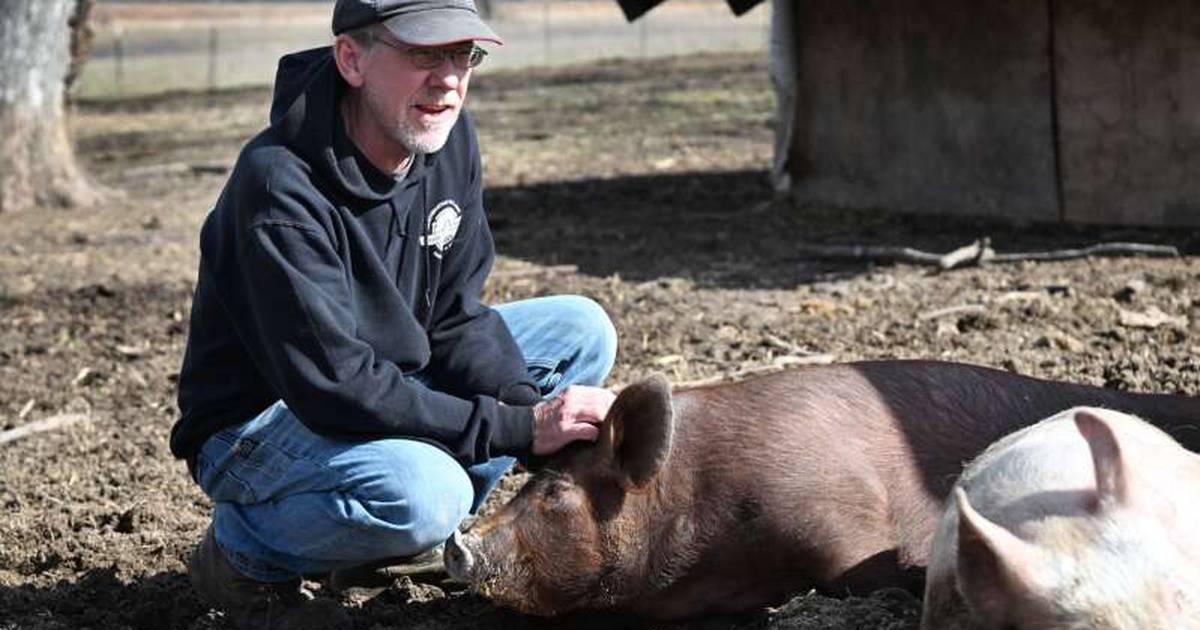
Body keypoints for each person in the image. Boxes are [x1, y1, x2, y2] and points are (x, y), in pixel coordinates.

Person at [169, 1, 618, 628]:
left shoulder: (446, 139)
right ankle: (244, 555)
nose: (449, 80)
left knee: (580, 328)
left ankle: (390, 546)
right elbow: (336, 385)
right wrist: (517, 428)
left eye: (464, 56)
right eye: (424, 55)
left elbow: (456, 316)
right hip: (261, 422)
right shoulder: (280, 188)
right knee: (426, 497)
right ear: (352, 59)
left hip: (380, 379)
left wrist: (526, 412)